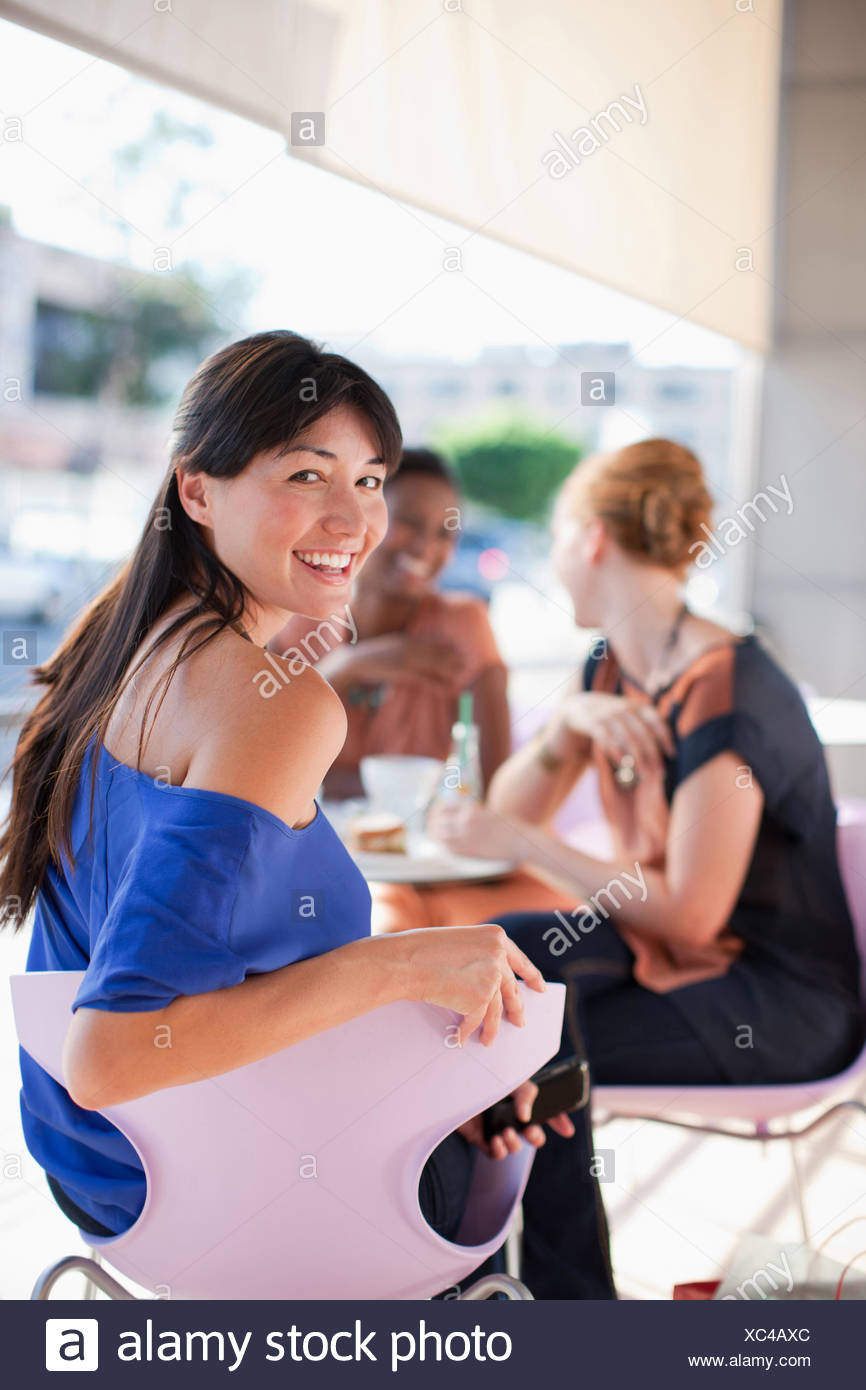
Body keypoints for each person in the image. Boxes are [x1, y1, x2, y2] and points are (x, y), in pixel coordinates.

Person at [0, 331, 613, 1300]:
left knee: (494, 1062)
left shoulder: (124, 650)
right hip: (227, 1180)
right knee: (527, 1061)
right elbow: (112, 1053)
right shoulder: (271, 700)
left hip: (125, 1176)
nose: (353, 517)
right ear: (196, 491)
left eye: (370, 479)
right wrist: (401, 965)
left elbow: (207, 972)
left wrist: (422, 1065)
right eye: (305, 473)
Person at [428, 439, 865, 1118]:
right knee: (506, 953)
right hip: (667, 955)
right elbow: (503, 818)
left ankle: (541, 1228)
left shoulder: (728, 688)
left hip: (775, 1000)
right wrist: (568, 725)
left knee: (511, 1043)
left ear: (593, 539)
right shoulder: (607, 665)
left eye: (558, 538)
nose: (556, 561)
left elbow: (692, 917)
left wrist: (524, 842)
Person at [269, 447, 510, 801]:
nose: (425, 547)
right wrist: (347, 666)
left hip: (415, 851)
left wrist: (339, 784)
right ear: (362, 517)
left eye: (444, 533)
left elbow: (494, 787)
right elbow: (268, 762)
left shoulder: (462, 625)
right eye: (408, 522)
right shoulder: (298, 619)